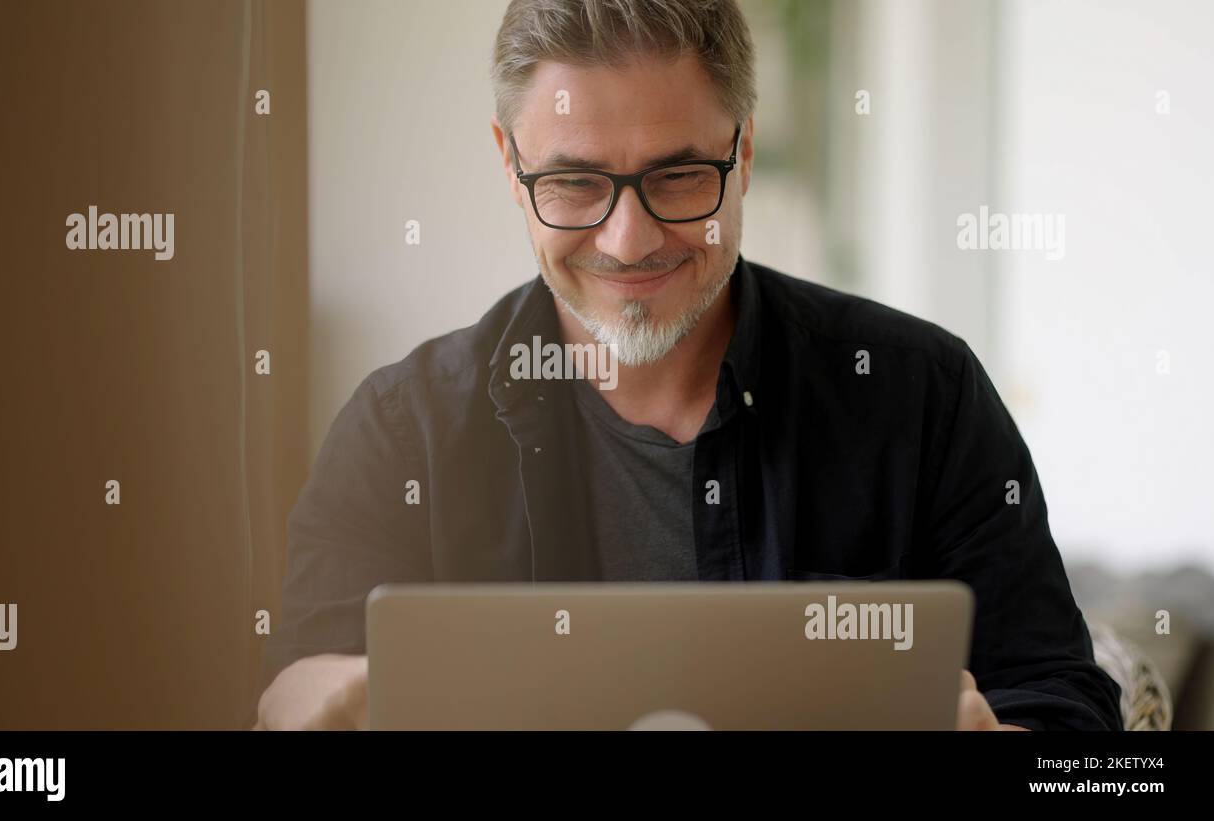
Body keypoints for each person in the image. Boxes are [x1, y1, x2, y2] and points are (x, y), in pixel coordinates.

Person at [255, 0, 1122, 731]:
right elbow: (299, 681)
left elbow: (1078, 732)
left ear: (742, 151)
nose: (628, 242)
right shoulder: (400, 431)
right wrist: (301, 701)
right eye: (574, 184)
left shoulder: (923, 395)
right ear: (511, 168)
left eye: (676, 178)